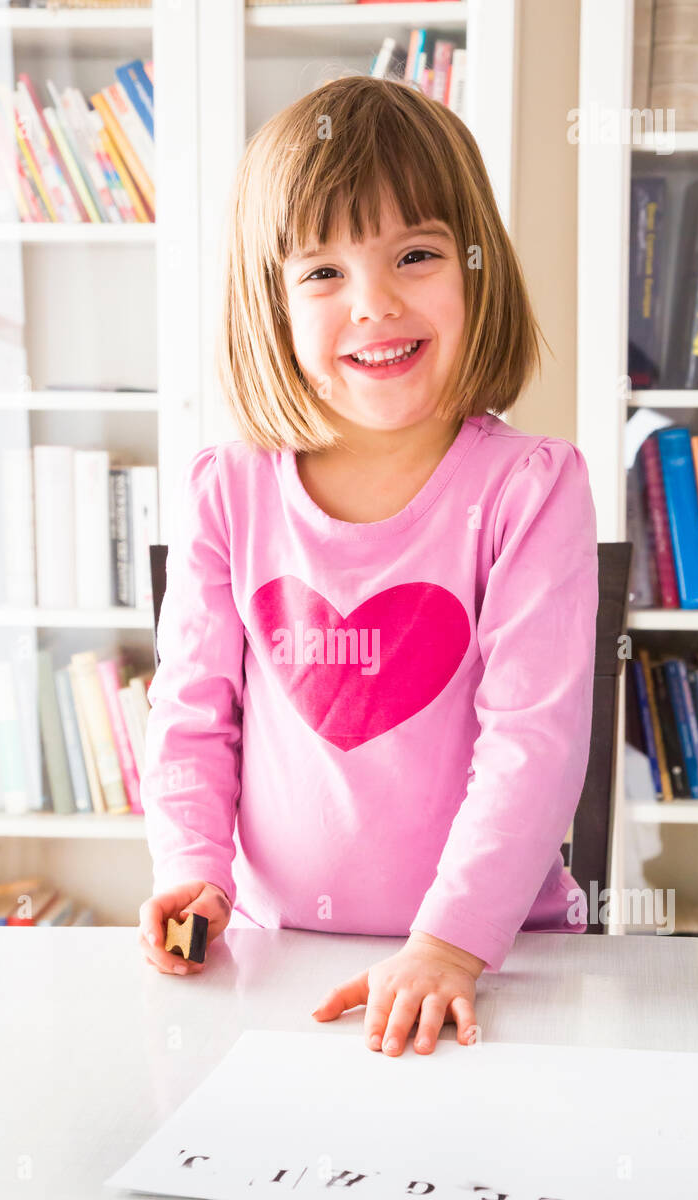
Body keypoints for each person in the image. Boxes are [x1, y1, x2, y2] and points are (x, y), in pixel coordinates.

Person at [137, 75, 598, 1058]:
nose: (374, 303)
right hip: (274, 967)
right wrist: (190, 869)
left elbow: (532, 745)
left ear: (476, 268)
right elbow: (189, 718)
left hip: (496, 964)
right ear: (271, 299)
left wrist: (443, 946)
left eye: (416, 254)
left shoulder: (532, 486)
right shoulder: (227, 489)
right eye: (321, 273)